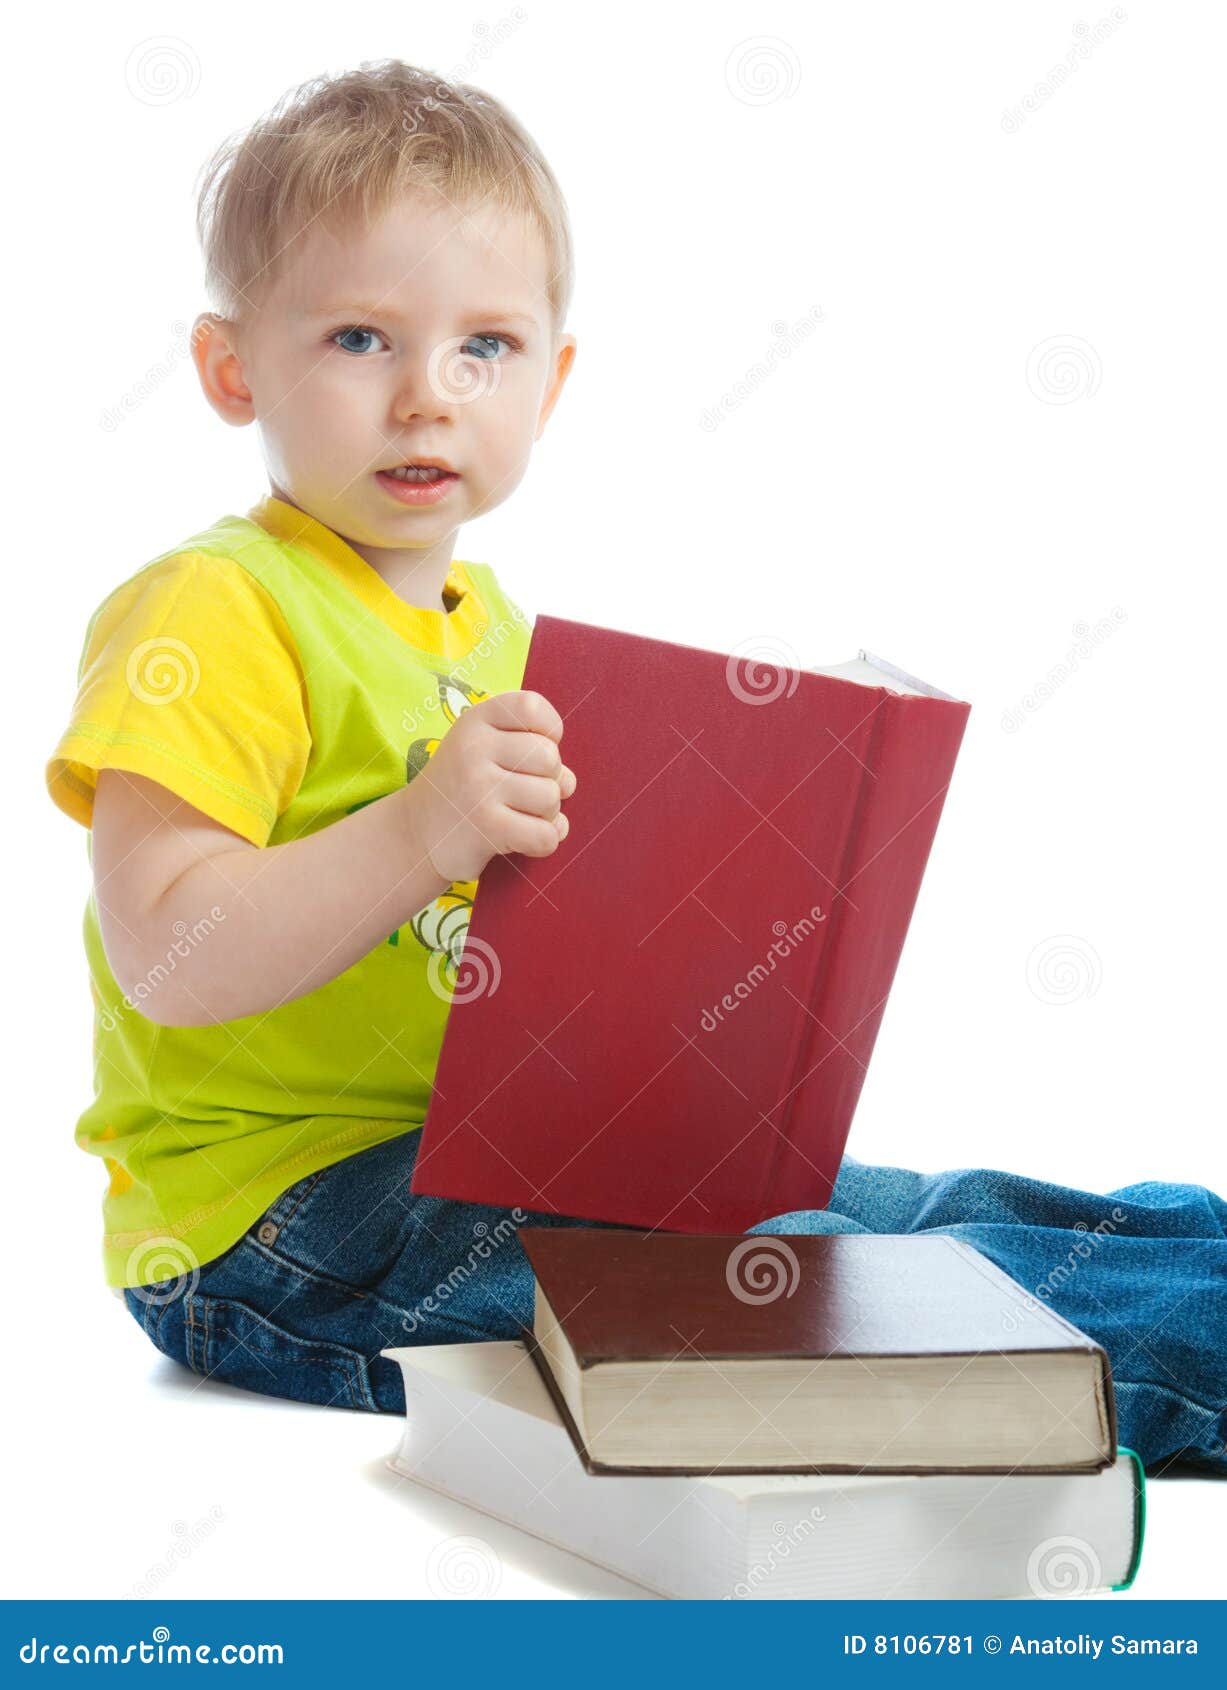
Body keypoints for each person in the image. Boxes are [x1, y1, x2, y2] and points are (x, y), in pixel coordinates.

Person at [47, 61, 1224, 1472]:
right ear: (232, 367)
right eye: (362, 337)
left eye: (483, 346)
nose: (428, 396)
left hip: (497, 1163)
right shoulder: (215, 607)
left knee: (901, 1210)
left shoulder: (504, 638)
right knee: (804, 1277)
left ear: (551, 379)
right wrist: (424, 830)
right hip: (275, 1222)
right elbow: (168, 954)